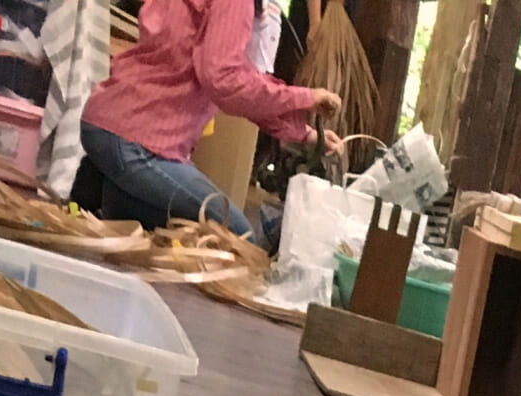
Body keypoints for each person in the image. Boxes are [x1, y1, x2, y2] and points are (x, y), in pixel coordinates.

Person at [78, 0, 340, 241]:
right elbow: (225, 79)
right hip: (138, 141)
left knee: (128, 245)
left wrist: (305, 133)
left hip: (112, 123)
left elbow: (235, 78)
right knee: (237, 238)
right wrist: (305, 98)